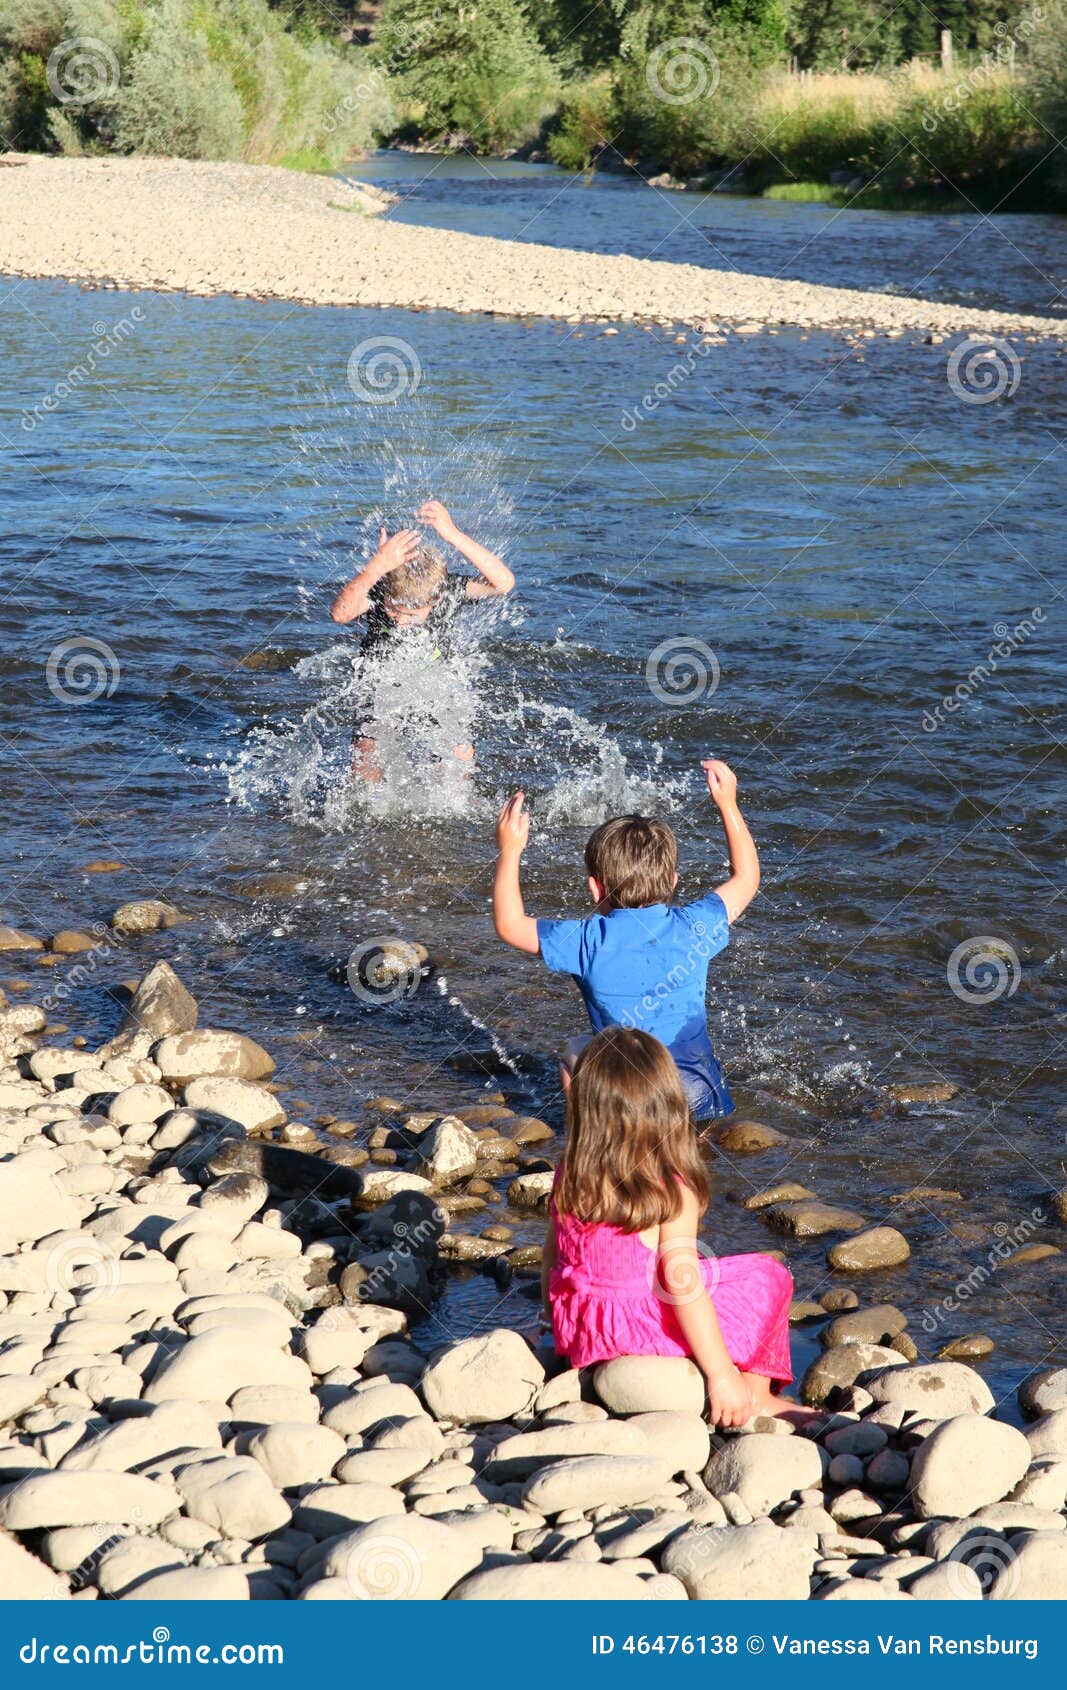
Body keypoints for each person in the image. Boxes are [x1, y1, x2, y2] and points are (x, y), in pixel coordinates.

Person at [541, 1027, 798, 1427]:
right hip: (637, 1330)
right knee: (768, 1275)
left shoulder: (571, 1171)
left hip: (582, 1327)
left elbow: (551, 1259)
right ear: (668, 1103)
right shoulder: (669, 1186)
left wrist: (557, 1329)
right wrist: (719, 1374)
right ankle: (756, 1393)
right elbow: (681, 1284)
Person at [492, 758, 759, 1119]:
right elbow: (747, 877)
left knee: (574, 1053)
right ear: (674, 881)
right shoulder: (694, 926)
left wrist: (510, 851)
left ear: (594, 887)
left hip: (630, 1112)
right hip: (698, 1101)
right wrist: (728, 804)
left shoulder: (587, 939)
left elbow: (510, 924)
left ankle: (591, 1143)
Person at [330, 499, 514, 781]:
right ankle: (365, 811)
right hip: (380, 682)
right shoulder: (380, 588)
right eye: (394, 609)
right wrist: (376, 567)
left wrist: (452, 533)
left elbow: (503, 583)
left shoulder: (449, 591)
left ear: (437, 597)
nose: (400, 621)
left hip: (435, 680)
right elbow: (340, 614)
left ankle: (454, 809)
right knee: (366, 749)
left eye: (412, 613)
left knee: (459, 750)